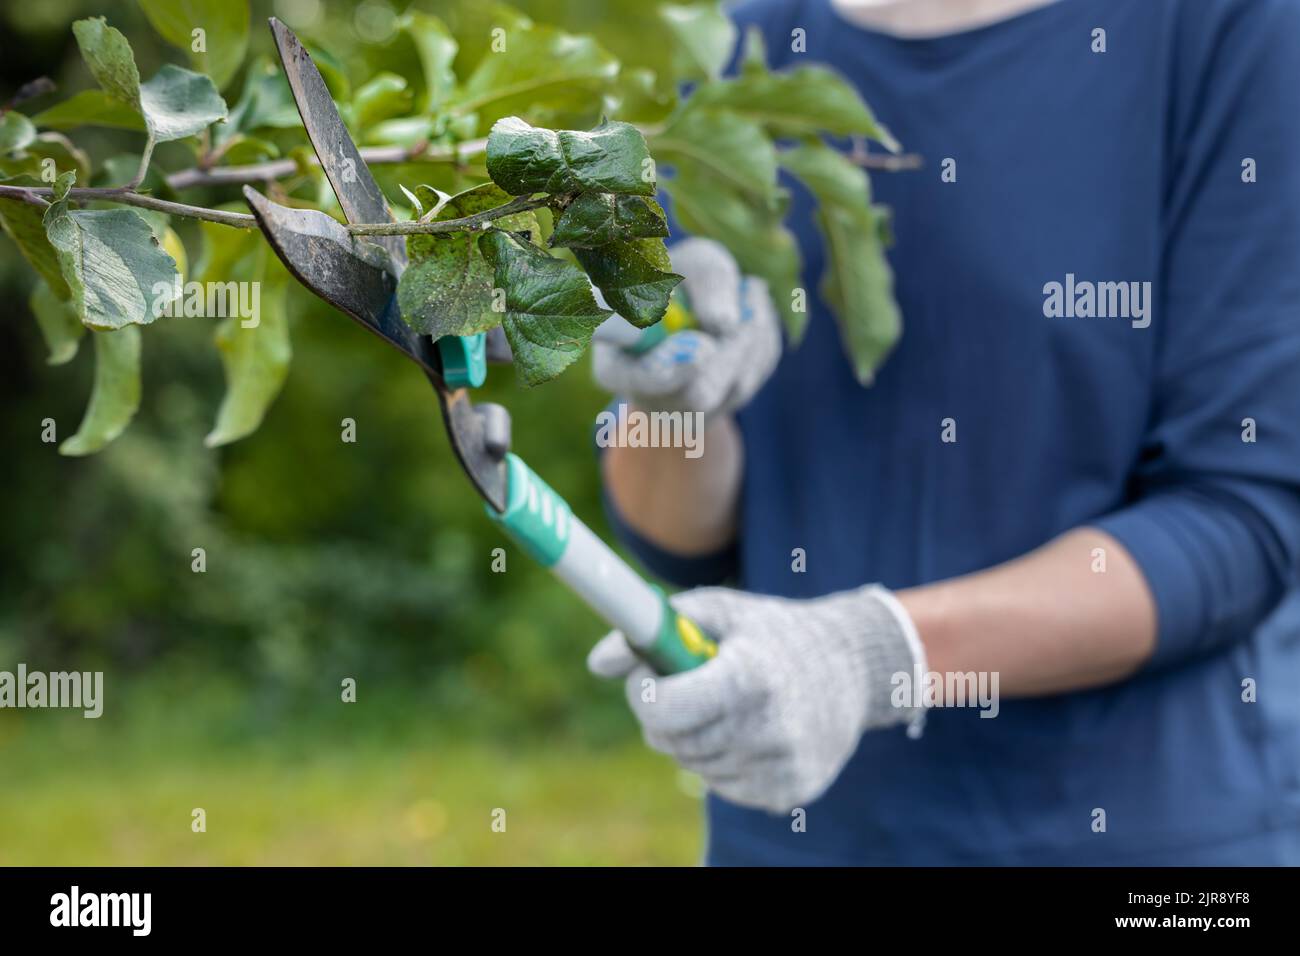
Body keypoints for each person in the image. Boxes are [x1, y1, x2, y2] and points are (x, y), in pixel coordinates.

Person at [588, 0, 1300, 865]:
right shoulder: (733, 45)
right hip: (800, 837)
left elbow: (1241, 517)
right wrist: (671, 406)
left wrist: (872, 653)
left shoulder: (1226, 30)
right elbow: (682, 542)